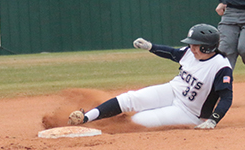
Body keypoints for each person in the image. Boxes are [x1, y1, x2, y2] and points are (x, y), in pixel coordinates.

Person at [67, 24, 233, 130]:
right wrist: (151, 47)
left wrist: (213, 120)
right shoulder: (190, 53)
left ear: (208, 47)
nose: (191, 47)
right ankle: (86, 118)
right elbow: (172, 53)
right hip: (172, 90)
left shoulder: (220, 67)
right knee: (130, 98)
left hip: (189, 112)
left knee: (140, 121)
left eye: (196, 44)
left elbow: (226, 97)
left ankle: (106, 128)